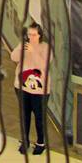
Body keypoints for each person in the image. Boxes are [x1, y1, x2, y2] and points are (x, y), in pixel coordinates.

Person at [11, 22, 51, 155]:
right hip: (22, 87)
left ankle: (40, 143)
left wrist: (33, 52)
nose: (31, 37)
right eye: (29, 34)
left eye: (34, 35)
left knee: (39, 117)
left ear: (40, 35)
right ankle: (25, 140)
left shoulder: (46, 48)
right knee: (24, 115)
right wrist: (20, 50)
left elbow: (43, 66)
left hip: (39, 91)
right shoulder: (23, 45)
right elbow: (13, 57)